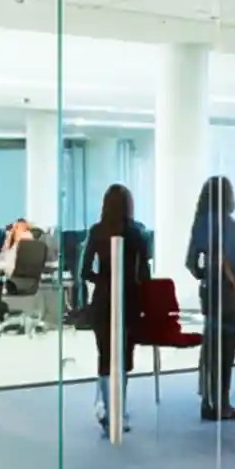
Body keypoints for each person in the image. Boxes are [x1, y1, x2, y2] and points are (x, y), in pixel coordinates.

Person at [81, 185, 151, 435]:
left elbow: (84, 271)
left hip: (102, 300)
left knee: (104, 356)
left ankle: (105, 408)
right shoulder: (136, 234)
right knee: (123, 358)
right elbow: (144, 274)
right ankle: (118, 411)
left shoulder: (97, 231)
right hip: (129, 301)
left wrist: (104, 281)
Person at [186, 176, 235, 422]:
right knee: (226, 349)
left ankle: (208, 401)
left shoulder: (200, 224)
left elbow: (191, 263)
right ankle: (222, 404)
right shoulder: (229, 225)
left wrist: (206, 275)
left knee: (211, 348)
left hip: (208, 293)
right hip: (227, 294)